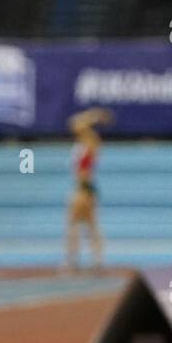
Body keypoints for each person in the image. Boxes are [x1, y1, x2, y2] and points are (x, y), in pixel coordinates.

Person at [65, 108, 113, 271]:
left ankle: (81, 260)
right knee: (85, 225)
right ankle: (93, 260)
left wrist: (96, 116)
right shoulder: (83, 143)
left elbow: (76, 123)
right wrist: (97, 115)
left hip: (83, 189)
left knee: (78, 224)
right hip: (84, 188)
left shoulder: (91, 142)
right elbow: (74, 123)